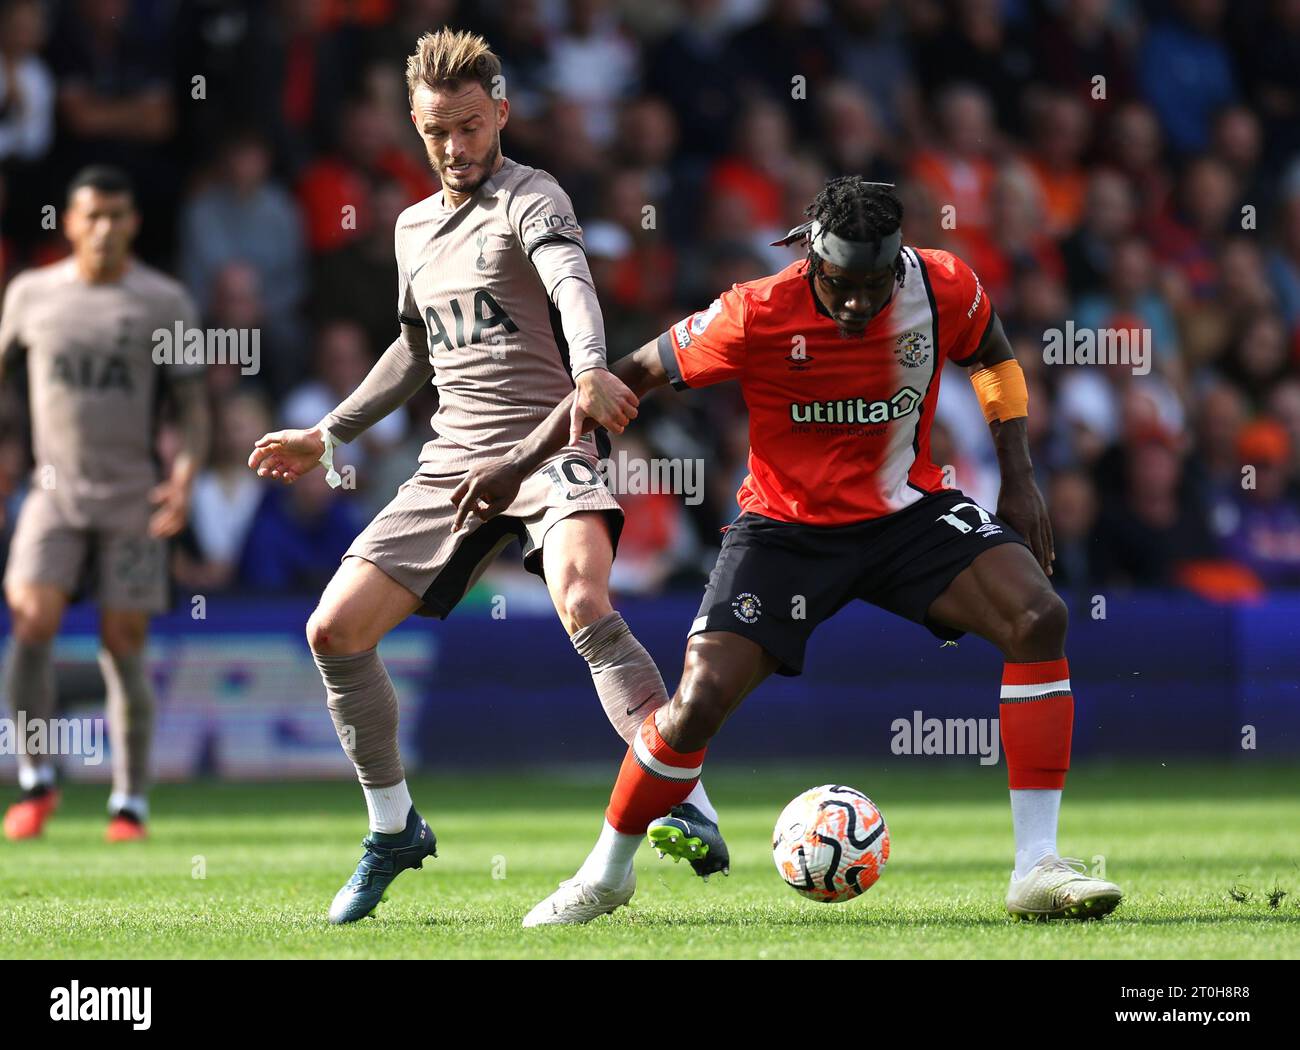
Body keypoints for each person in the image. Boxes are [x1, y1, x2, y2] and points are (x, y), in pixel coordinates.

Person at [452, 176, 1125, 926]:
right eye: (843, 286)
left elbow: (992, 354)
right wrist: (517, 464)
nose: (860, 305)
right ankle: (606, 874)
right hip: (786, 530)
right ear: (812, 259)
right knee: (697, 702)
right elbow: (627, 376)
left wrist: (1021, 476)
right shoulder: (755, 312)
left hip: (907, 513)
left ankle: (1036, 866)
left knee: (1038, 617)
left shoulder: (942, 285)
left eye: (876, 286)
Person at [246, 29, 724, 925]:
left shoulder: (533, 197)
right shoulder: (412, 227)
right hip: (452, 464)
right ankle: (393, 830)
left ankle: (682, 795)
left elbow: (572, 283)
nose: (456, 148)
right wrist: (326, 433)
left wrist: (589, 370)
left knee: (584, 600)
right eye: (436, 133)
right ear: (416, 129)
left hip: (552, 445)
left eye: (469, 126)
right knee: (333, 632)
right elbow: (413, 350)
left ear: (500, 112)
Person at [0, 165, 209, 842]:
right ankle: (36, 781)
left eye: (118, 216)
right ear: (69, 222)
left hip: (131, 494)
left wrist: (183, 476)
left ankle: (130, 803)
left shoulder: (163, 301)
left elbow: (192, 404)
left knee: (124, 643)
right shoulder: (31, 295)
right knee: (31, 617)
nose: (105, 229)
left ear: (134, 223)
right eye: (92, 216)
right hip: (52, 490)